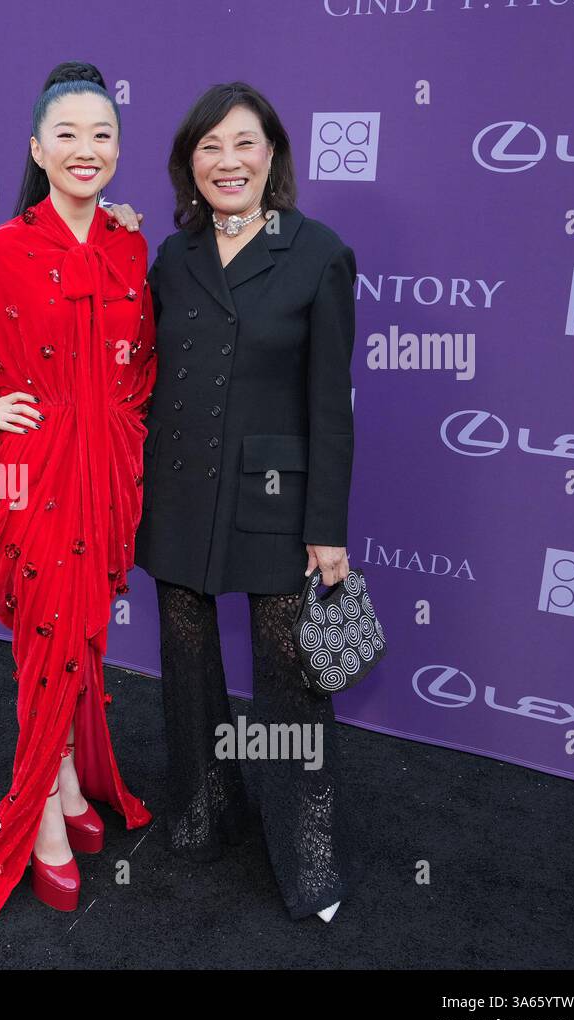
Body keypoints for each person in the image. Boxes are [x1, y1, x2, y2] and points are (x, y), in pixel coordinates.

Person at [0, 72, 156, 915]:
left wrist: (121, 428)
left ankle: (78, 789)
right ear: (38, 150)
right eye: (70, 135)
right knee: (46, 647)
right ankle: (43, 811)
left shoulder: (128, 245)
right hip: (37, 484)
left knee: (82, 641)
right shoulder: (3, 250)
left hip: (105, 480)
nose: (88, 151)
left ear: (119, 151)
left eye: (104, 135)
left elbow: (141, 358)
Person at [114, 81, 365, 922]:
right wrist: (112, 245)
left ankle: (309, 858)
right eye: (210, 146)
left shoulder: (319, 253)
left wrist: (326, 527)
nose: (228, 161)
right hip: (178, 490)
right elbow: (140, 364)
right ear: (190, 163)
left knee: (290, 687)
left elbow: (332, 407)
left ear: (273, 157)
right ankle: (203, 812)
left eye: (245, 144)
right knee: (186, 668)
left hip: (276, 502)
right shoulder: (173, 256)